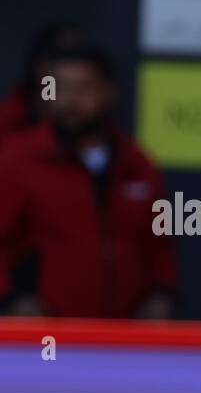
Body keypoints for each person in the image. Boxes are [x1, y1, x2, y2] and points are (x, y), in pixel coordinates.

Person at [0, 46, 177, 319]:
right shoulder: (20, 160)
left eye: (84, 88)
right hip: (46, 337)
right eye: (61, 88)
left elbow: (159, 245)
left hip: (123, 337)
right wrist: (13, 299)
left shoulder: (137, 165)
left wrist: (162, 294)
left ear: (108, 93)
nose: (71, 100)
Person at [0, 22, 86, 148]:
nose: (73, 68)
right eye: (62, 57)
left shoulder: (100, 131)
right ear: (39, 63)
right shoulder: (8, 121)